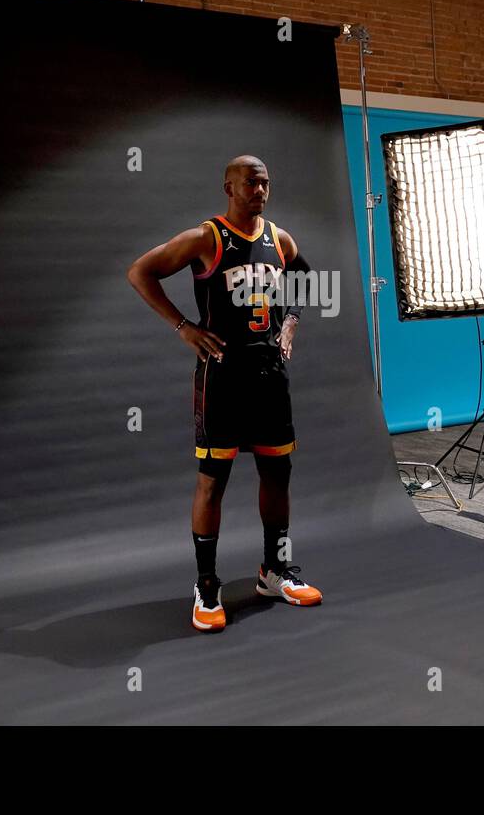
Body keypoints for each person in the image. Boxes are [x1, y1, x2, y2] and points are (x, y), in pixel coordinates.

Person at [127, 155, 322, 633]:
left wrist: (291, 322)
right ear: (228, 187)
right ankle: (207, 584)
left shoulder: (280, 239)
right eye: (251, 183)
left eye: (266, 184)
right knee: (213, 480)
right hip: (222, 378)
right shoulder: (207, 238)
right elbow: (141, 272)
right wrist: (183, 327)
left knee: (278, 474)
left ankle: (273, 571)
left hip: (270, 378)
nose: (260, 191)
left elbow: (306, 277)